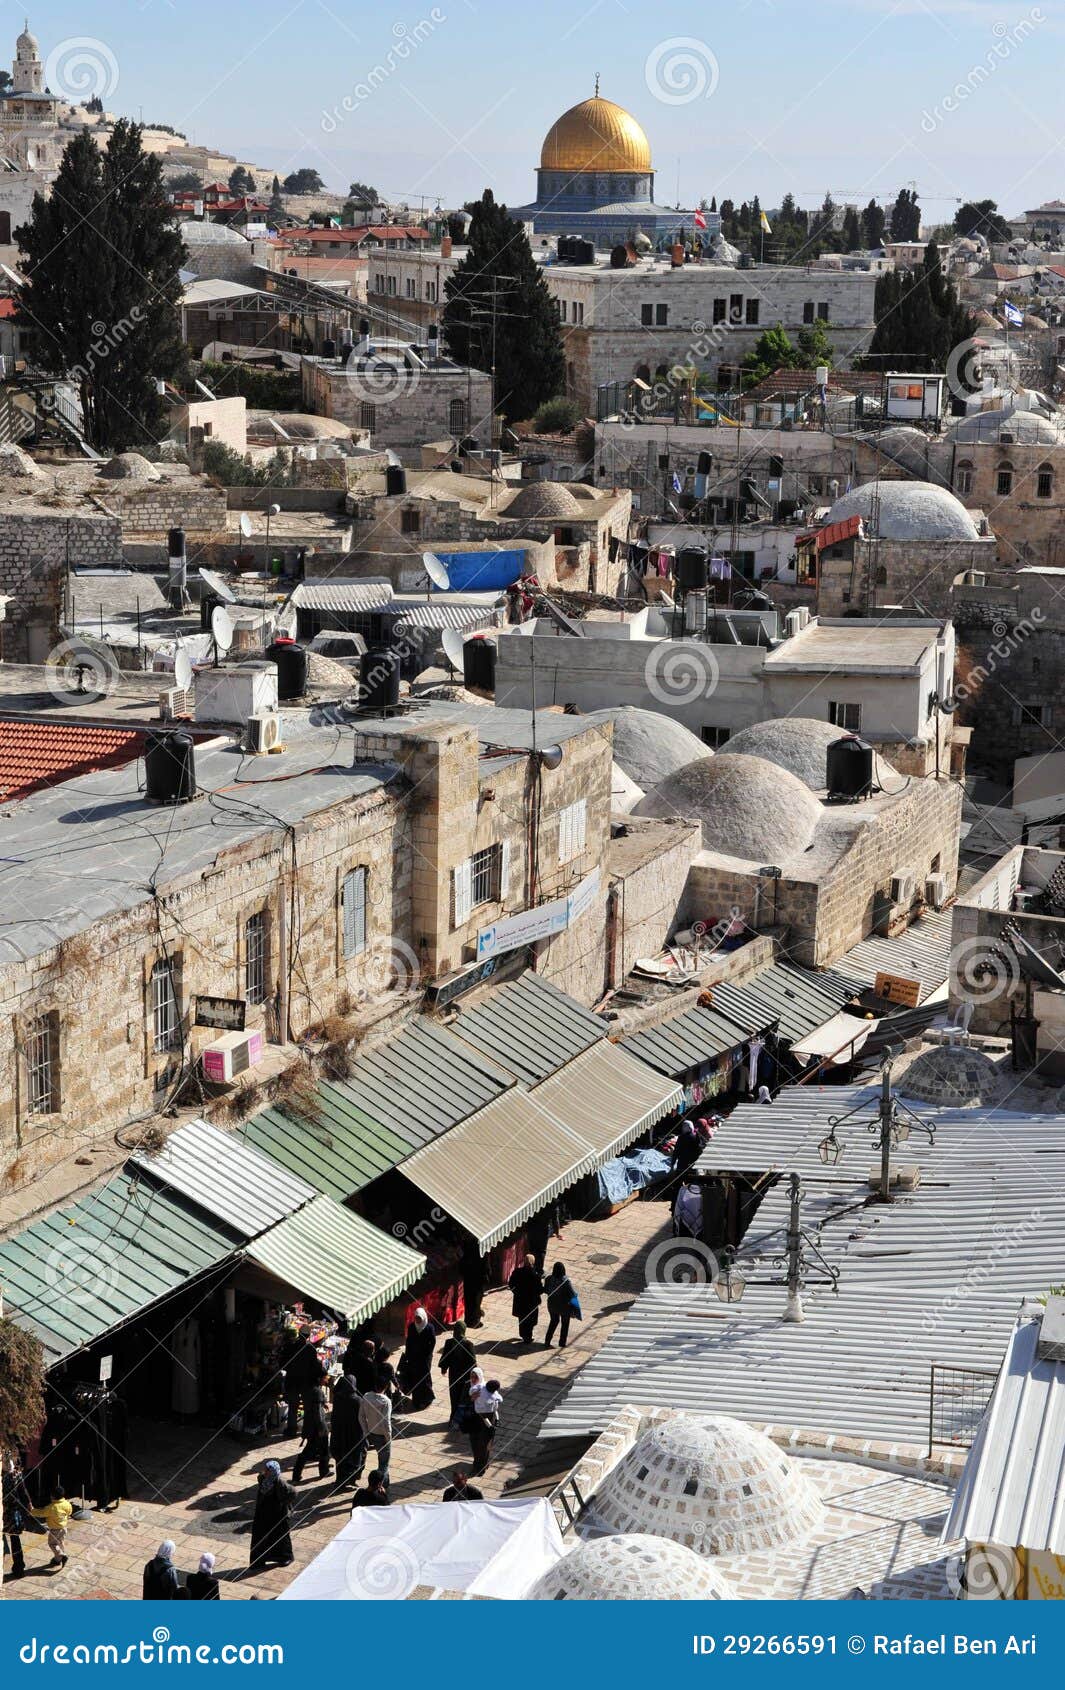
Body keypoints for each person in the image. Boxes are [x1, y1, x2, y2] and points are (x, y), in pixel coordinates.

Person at [249, 1460, 294, 1570]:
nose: (265, 1471)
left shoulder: (281, 1484)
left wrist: (284, 1504)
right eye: (265, 1469)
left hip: (278, 1515)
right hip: (263, 1513)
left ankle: (285, 1557)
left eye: (268, 1470)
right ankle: (258, 1561)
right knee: (259, 1537)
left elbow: (293, 1493)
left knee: (280, 1538)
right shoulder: (263, 1479)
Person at [438, 1320, 478, 1428]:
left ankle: (458, 1418)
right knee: (458, 1397)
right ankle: (456, 1418)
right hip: (459, 1375)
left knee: (459, 1397)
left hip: (461, 1376)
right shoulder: (452, 1343)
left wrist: (443, 1368)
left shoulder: (465, 1344)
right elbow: (473, 1362)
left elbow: (472, 1361)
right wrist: (444, 1367)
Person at [292, 1379, 331, 1484]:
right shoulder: (317, 1392)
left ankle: (324, 1471)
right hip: (316, 1428)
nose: (326, 1379)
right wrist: (322, 1429)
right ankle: (297, 1474)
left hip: (310, 1425)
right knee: (312, 1451)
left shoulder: (309, 1389)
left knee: (321, 1450)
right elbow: (318, 1413)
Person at [330, 1371, 364, 1488]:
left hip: (339, 1432)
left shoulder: (338, 1398)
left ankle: (340, 1480)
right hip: (354, 1434)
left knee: (341, 1457)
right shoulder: (357, 1400)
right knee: (354, 1457)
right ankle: (350, 1480)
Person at [398, 1308, 436, 1411]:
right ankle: (417, 1400)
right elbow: (408, 1342)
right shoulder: (412, 1327)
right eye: (416, 1318)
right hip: (413, 1358)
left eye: (419, 1318)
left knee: (424, 1379)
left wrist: (427, 1355)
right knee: (415, 1378)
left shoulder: (429, 1328)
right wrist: (408, 1355)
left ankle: (426, 1398)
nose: (418, 1320)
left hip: (424, 1359)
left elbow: (432, 1343)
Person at [2, 1453, 33, 1580]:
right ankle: (19, 1567)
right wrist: (29, 1504)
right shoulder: (17, 1474)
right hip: (14, 1512)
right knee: (15, 1540)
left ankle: (17, 1567)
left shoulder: (4, 1476)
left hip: (7, 1512)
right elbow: (23, 1491)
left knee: (8, 1541)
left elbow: (22, 1491)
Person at [467, 1373, 502, 1478]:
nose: (473, 1379)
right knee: (478, 1444)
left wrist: (493, 1421)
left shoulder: (489, 1393)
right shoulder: (478, 1389)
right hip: (478, 1420)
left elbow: (494, 1408)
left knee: (482, 1446)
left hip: (486, 1421)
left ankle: (479, 1468)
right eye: (471, 1377)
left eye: (475, 1377)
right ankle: (481, 1465)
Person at [358, 1373, 393, 1477]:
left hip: (371, 1432)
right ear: (386, 1387)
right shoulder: (386, 1401)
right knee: (384, 1464)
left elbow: (361, 1416)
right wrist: (388, 1437)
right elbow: (386, 1421)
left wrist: (366, 1431)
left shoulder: (366, 1396)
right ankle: (383, 1484)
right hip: (382, 1435)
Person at [32, 1484, 72, 1570]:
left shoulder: (51, 1507)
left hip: (54, 1529)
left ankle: (62, 1555)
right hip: (64, 1528)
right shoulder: (67, 1504)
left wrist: (32, 1511)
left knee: (52, 1544)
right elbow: (69, 1512)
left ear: (52, 1496)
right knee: (60, 1543)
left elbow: (41, 1513)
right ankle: (57, 1560)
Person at [508, 1253, 543, 1345]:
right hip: (531, 1302)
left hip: (520, 1300)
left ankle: (523, 1335)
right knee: (530, 1319)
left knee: (522, 1318)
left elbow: (511, 1284)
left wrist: (516, 1292)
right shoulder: (535, 1275)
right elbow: (539, 1290)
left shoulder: (517, 1272)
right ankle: (528, 1337)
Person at [544, 1263, 580, 1350]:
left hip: (552, 1305)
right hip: (564, 1307)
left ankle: (547, 1341)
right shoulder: (565, 1282)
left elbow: (545, 1290)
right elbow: (572, 1294)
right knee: (565, 1324)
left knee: (553, 1321)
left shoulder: (548, 1279)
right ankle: (562, 1342)